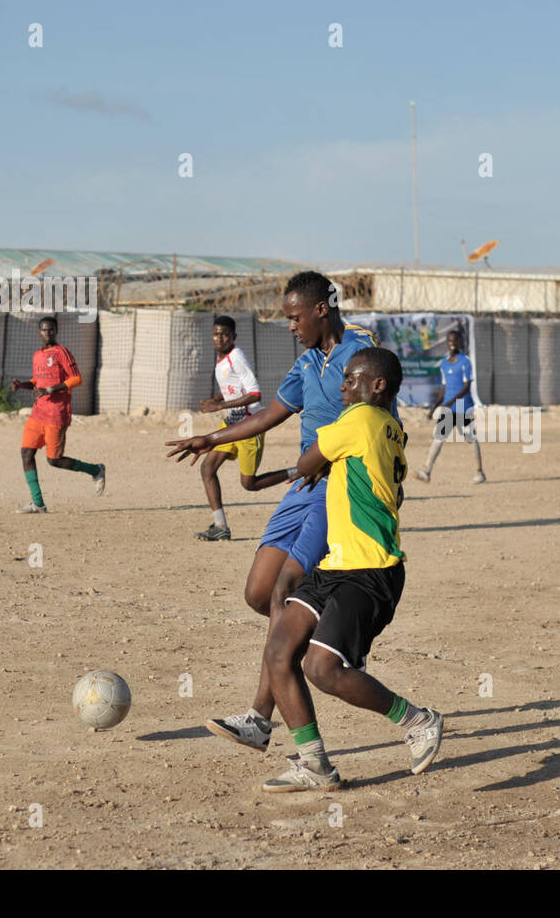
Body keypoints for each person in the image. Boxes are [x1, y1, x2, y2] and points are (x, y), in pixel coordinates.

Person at [165, 271, 392, 751]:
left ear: (319, 310)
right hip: (301, 485)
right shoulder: (308, 362)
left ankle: (260, 718)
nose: (289, 326)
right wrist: (212, 437)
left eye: (293, 317)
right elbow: (271, 413)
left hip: (338, 487)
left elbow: (385, 408)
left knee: (285, 590)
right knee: (259, 591)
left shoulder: (361, 349)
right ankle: (331, 631)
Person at [258, 346, 442, 791]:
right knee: (279, 652)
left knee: (322, 670)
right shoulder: (390, 427)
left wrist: (316, 461)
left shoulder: (359, 420)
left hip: (368, 571)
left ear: (377, 386)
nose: (342, 387)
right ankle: (315, 764)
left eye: (351, 379)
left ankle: (418, 720)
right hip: (337, 563)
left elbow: (306, 463)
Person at [193, 316, 285, 541]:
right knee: (207, 469)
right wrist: (214, 399)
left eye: (225, 334)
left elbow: (254, 393)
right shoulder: (221, 358)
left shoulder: (237, 357)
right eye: (216, 334)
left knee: (249, 484)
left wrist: (219, 405)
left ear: (234, 336)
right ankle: (220, 525)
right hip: (231, 424)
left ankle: (298, 471)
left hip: (250, 426)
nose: (219, 338)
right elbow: (234, 388)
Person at [13, 315, 105, 512]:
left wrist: (51, 390)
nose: (48, 333)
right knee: (26, 452)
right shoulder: (37, 355)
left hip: (57, 414)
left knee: (54, 460)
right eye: (45, 330)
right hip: (38, 412)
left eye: (52, 330)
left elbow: (76, 379)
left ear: (56, 331)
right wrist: (23, 385)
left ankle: (95, 469)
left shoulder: (62, 352)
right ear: (39, 332)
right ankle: (38, 503)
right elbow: (38, 381)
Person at [413, 327, 486, 484]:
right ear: (447, 343)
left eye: (455, 340)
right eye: (450, 340)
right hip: (448, 408)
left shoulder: (465, 362)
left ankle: (480, 472)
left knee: (470, 438)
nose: (452, 343)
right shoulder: (444, 364)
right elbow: (444, 389)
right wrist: (434, 407)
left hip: (462, 407)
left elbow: (466, 386)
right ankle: (426, 471)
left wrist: (451, 402)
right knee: (437, 438)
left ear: (460, 342)